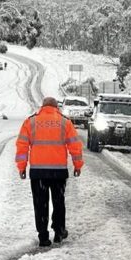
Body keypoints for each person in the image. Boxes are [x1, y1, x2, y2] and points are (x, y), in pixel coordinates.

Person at [16, 97, 84, 247]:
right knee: (58, 202)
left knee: (40, 204)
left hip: (38, 172)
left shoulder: (31, 122)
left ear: (43, 106)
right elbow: (75, 146)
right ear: (56, 107)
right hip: (58, 172)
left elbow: (22, 146)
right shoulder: (65, 122)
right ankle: (59, 232)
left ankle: (43, 237)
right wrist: (77, 165)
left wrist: (22, 167)